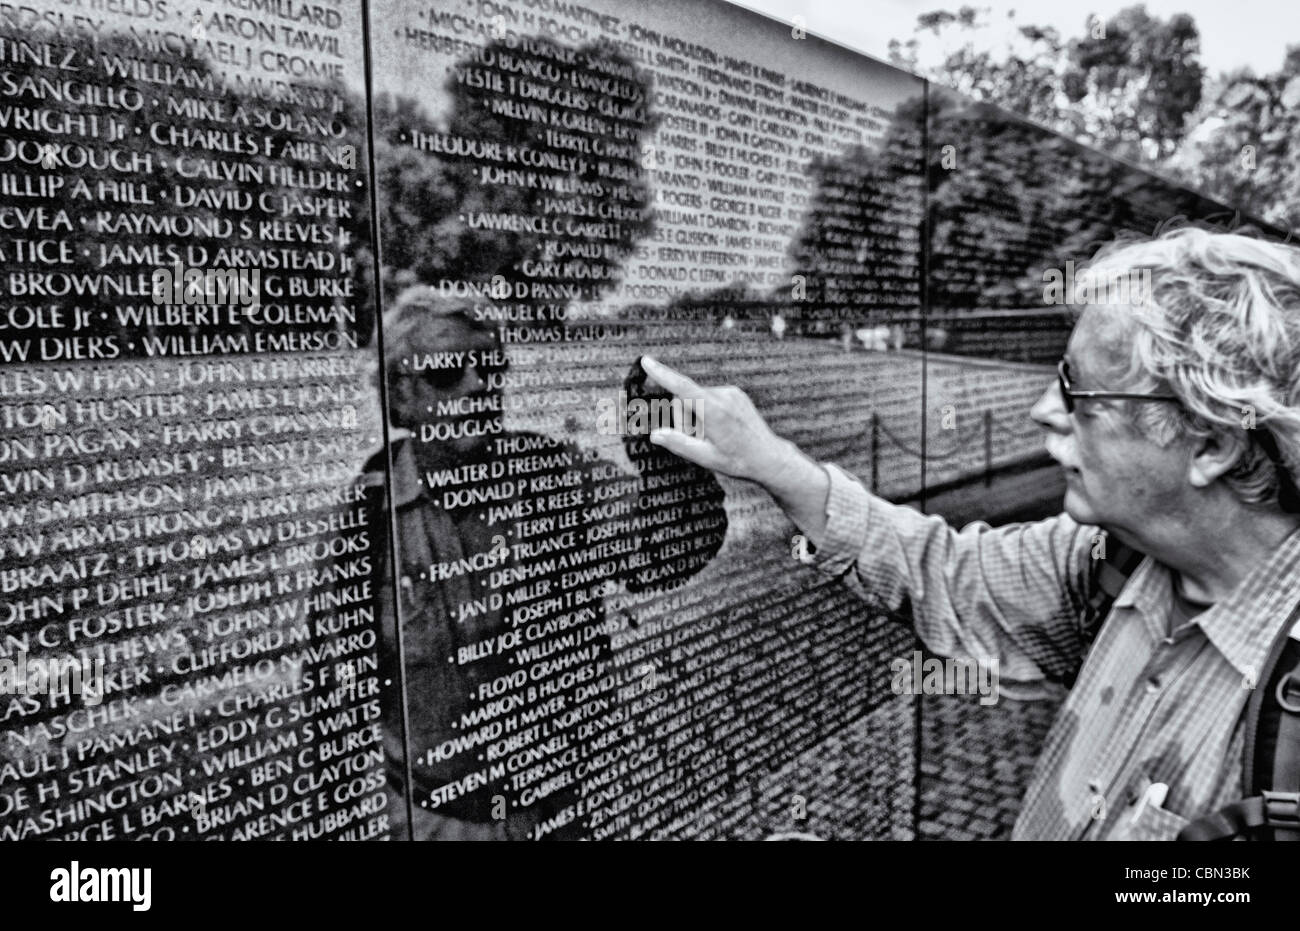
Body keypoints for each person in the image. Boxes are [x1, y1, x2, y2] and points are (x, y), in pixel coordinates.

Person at [641, 227, 1300, 840]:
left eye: (1080, 393)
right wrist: (775, 464)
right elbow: (949, 573)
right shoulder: (1114, 560)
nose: (1043, 409)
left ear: (1209, 442)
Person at [360, 286, 727, 840]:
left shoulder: (553, 474)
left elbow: (662, 552)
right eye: (446, 375)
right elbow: (332, 682)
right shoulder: (369, 512)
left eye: (489, 369)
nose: (476, 387)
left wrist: (667, 461)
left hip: (550, 812)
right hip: (431, 818)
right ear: (399, 398)